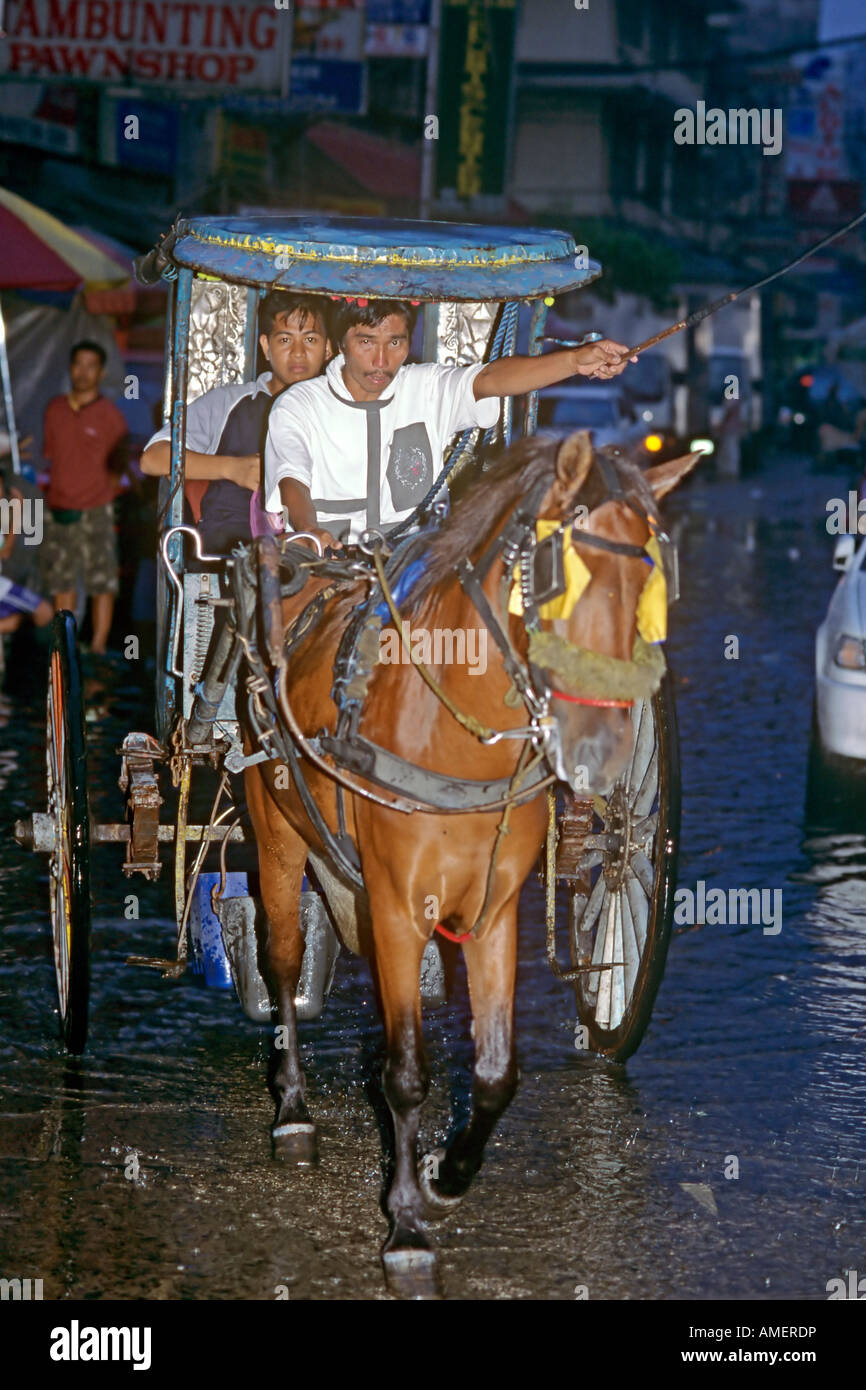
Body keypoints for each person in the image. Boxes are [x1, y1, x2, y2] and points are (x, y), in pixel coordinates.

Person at [264, 298, 636, 550]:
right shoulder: (298, 405)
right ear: (339, 344)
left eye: (395, 342)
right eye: (366, 342)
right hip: (326, 559)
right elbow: (293, 480)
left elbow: (489, 379)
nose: (381, 360)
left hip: (415, 557)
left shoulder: (424, 386)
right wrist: (311, 532)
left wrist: (574, 361)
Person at [141, 291, 334, 552]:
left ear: (328, 349)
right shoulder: (230, 402)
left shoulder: (340, 409)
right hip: (231, 557)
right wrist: (233, 468)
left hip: (317, 555)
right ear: (266, 346)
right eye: (285, 339)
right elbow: (153, 458)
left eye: (310, 339)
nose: (298, 352)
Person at [40, 340, 130, 654]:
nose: (83, 372)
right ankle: (64, 647)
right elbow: (50, 454)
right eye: (79, 364)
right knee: (61, 580)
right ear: (71, 367)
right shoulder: (54, 409)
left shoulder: (111, 416)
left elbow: (119, 465)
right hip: (59, 506)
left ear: (101, 372)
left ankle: (99, 645)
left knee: (101, 582)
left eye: (91, 366)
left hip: (97, 509)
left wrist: (103, 493)